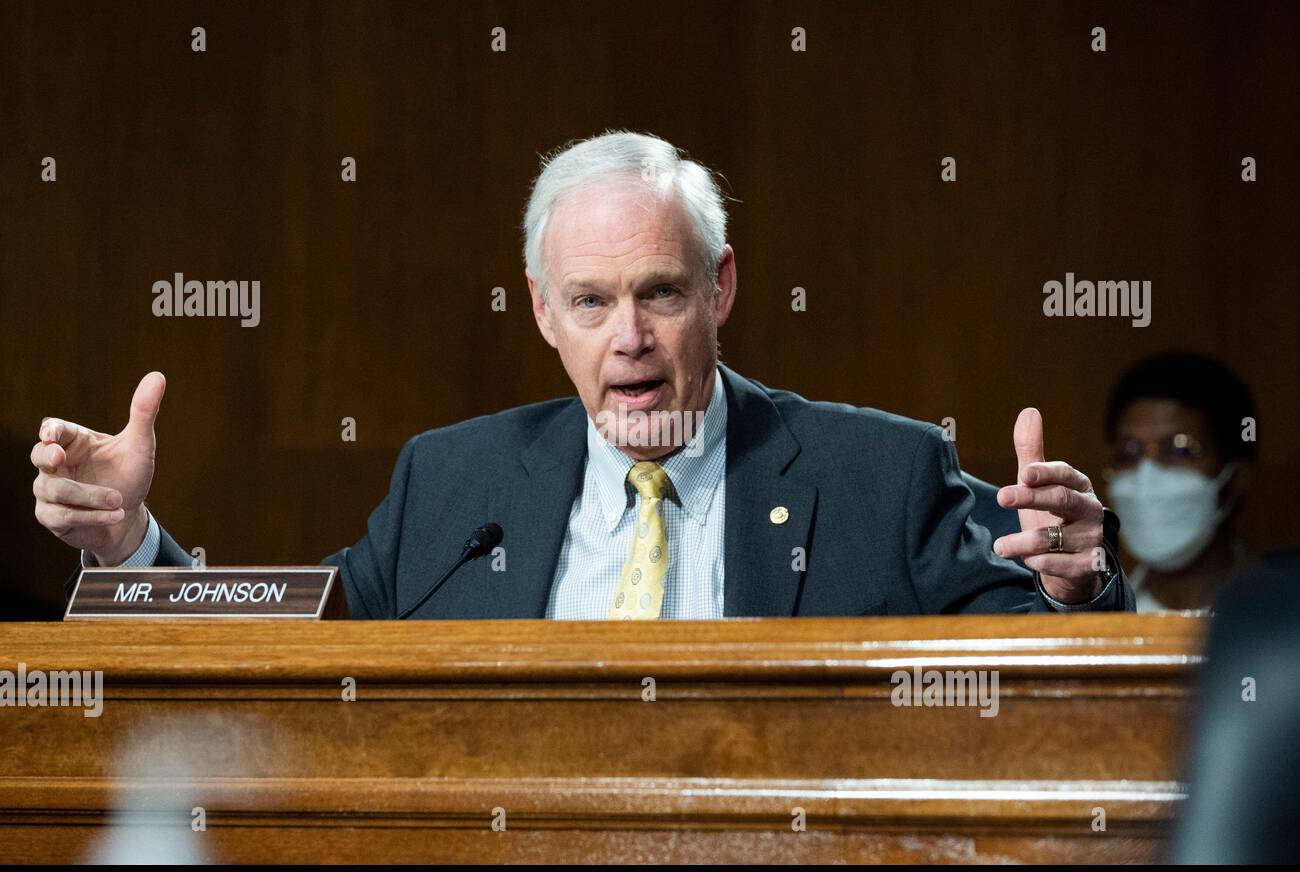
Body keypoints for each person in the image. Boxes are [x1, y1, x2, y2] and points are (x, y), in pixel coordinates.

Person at [30, 131, 1132, 619]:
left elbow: (1053, 660)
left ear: (722, 290)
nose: (630, 337)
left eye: (659, 291)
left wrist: (1074, 579)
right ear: (544, 312)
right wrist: (132, 547)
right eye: (593, 302)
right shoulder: (449, 485)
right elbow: (293, 650)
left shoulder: (878, 472)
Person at [1104, 353, 1256, 614]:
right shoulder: (1097, 625)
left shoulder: (1283, 617)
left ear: (1236, 475)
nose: (1146, 475)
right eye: (1129, 453)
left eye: (1180, 449)